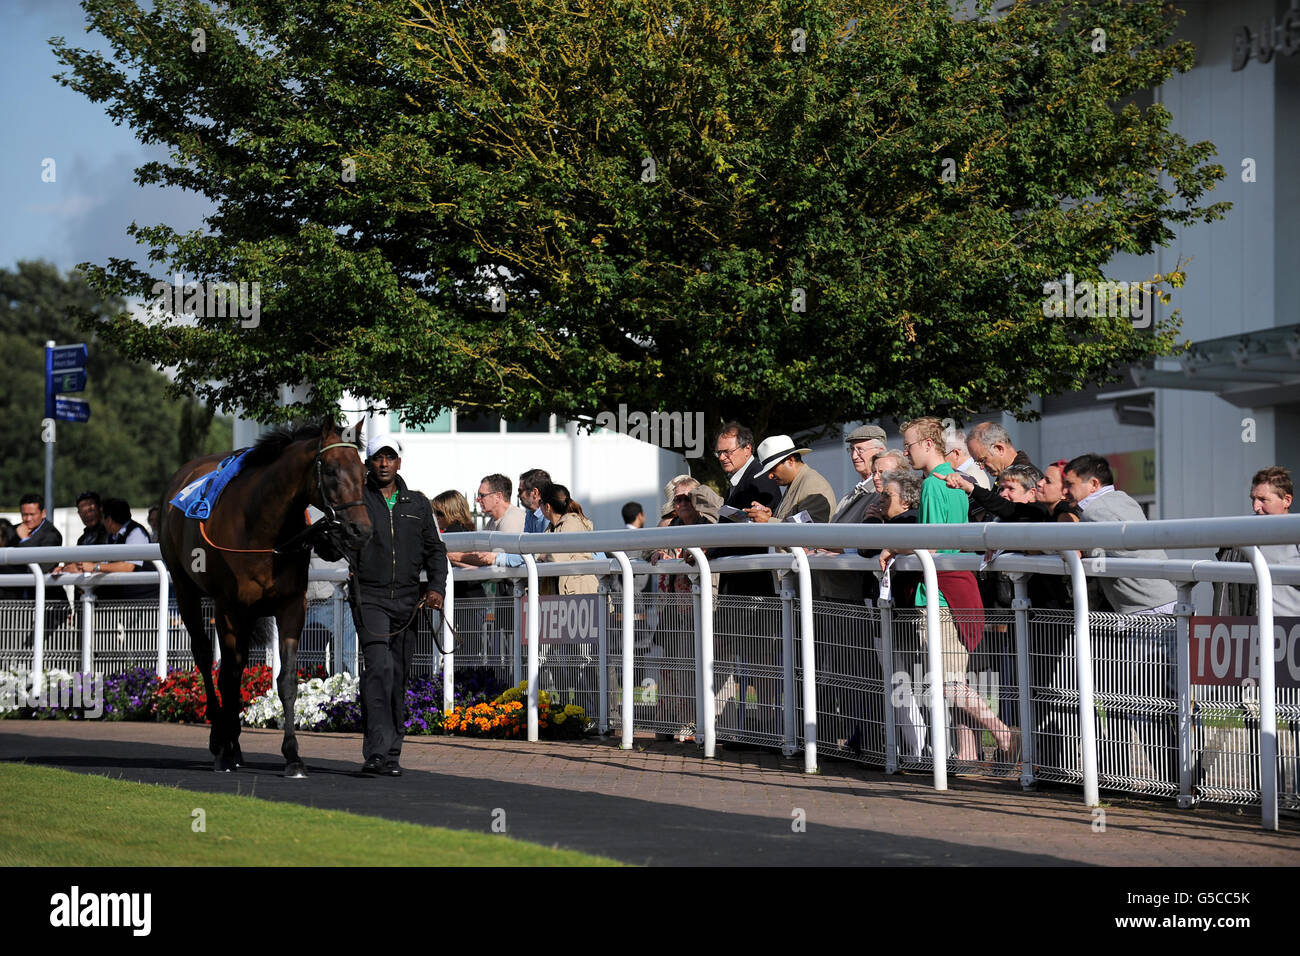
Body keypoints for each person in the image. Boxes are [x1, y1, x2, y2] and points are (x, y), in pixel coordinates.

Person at [879, 417, 1016, 765]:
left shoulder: (932, 485)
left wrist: (895, 548)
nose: (907, 452)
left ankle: (1002, 734)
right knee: (952, 679)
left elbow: (932, 543)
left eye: (909, 445)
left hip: (939, 594)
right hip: (958, 590)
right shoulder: (957, 482)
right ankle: (968, 755)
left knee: (947, 682)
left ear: (927, 444)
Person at [1062, 452, 1177, 788]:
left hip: (1145, 616)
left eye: (1070, 485)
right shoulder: (1122, 501)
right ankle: (1182, 778)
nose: (1067, 492)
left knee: (1140, 703)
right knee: (1165, 700)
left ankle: (1176, 780)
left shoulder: (1096, 512)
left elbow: (1091, 554)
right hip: (1163, 608)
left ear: (1093, 484)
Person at [350, 433, 447, 777]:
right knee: (379, 669)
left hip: (408, 601)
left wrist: (435, 588)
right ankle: (375, 752)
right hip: (369, 597)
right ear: (369, 463)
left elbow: (436, 550)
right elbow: (336, 539)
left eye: (390, 458)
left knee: (398, 675)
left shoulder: (418, 504)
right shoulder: (356, 498)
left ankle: (392, 753)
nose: (384, 464)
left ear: (399, 462)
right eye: (378, 458)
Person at [1213, 466, 1300, 616]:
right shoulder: (1241, 534)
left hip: (1291, 634)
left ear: (1286, 500)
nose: (1255, 507)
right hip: (1248, 632)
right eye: (1253, 499)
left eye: (1263, 500)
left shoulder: (1296, 533)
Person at [818, 424, 888, 604]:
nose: (854, 455)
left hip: (855, 591)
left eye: (860, 449)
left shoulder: (881, 494)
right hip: (836, 587)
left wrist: (833, 547)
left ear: (880, 451)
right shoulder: (853, 494)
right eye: (852, 449)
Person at [710, 422, 781, 596]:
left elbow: (751, 535)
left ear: (747, 449)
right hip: (740, 579)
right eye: (719, 452)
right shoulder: (740, 478)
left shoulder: (759, 480)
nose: (722, 457)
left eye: (727, 452)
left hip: (753, 583)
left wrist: (711, 550)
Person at [745, 435, 836, 524]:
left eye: (772, 469)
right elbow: (794, 522)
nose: (770, 476)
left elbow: (810, 531)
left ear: (790, 460)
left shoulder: (813, 485)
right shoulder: (797, 482)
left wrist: (768, 521)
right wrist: (771, 517)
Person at [536, 483, 598, 594]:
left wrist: (539, 555)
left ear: (547, 507)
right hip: (565, 595)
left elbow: (557, 557)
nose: (538, 507)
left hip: (582, 594)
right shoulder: (551, 528)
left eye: (540, 502)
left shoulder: (571, 522)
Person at [433, 490, 486, 600]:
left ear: (451, 512)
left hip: (462, 597)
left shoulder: (453, 533)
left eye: (440, 513)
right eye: (434, 512)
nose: (436, 517)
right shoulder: (468, 530)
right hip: (474, 594)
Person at [967, 422, 1035, 479]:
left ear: (999, 449)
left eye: (982, 460)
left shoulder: (1028, 479)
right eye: (978, 462)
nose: (981, 467)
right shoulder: (1007, 476)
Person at [519, 468, 553, 533]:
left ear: (535, 493)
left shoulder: (551, 515)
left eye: (520, 491)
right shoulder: (530, 513)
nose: (519, 496)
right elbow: (526, 541)